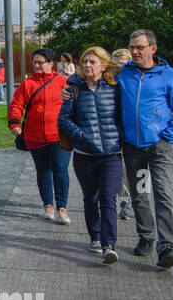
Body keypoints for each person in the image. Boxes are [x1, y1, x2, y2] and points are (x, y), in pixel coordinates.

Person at [118, 29, 173, 268]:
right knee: (139, 195)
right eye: (132, 47)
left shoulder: (168, 75)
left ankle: (167, 247)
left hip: (158, 148)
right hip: (133, 148)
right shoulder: (123, 74)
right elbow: (94, 76)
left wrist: (167, 136)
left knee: (162, 194)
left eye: (140, 47)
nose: (135, 52)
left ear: (153, 48)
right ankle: (146, 237)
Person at [58, 47, 125, 265]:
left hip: (111, 155)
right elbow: (64, 119)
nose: (87, 65)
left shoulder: (115, 88)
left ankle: (108, 245)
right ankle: (95, 236)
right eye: (85, 61)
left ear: (103, 66)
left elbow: (122, 116)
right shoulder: (73, 88)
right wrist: (82, 136)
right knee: (91, 199)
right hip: (85, 155)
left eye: (93, 62)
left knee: (108, 198)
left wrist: (119, 136)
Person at [8, 48, 72, 225]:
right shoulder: (27, 84)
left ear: (51, 64)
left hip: (59, 136)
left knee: (60, 169)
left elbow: (75, 104)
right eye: (34, 62)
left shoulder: (63, 82)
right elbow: (16, 105)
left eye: (40, 62)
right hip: (35, 136)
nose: (36, 65)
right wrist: (15, 123)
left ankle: (62, 207)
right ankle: (48, 205)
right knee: (43, 170)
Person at [111, 48, 135, 221]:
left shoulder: (134, 78)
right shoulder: (108, 80)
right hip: (114, 132)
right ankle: (124, 202)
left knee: (139, 171)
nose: (120, 65)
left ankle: (139, 201)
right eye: (116, 61)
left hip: (134, 132)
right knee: (121, 170)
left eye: (123, 61)